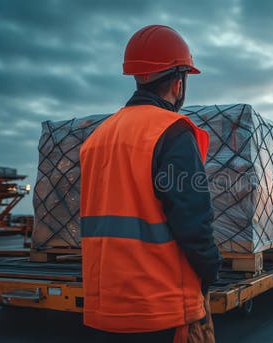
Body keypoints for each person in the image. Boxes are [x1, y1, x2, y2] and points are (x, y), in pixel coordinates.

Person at [80, 25, 221, 342]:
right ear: (178, 81)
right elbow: (193, 218)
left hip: (104, 306)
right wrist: (212, 268)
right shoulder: (172, 131)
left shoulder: (97, 138)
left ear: (137, 77)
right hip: (159, 306)